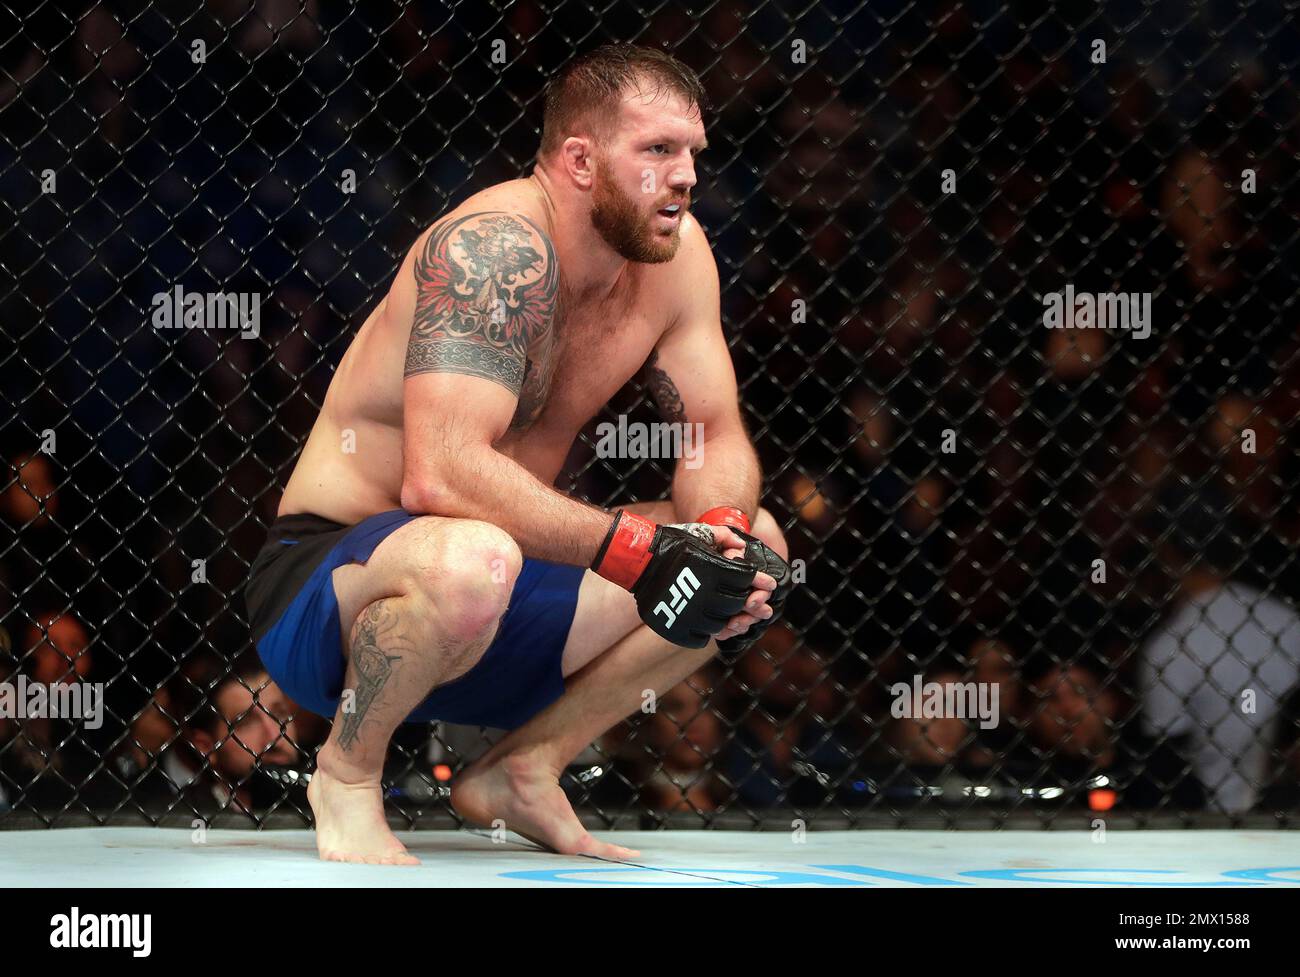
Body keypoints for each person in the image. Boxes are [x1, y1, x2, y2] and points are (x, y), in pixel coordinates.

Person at [243, 43, 793, 864]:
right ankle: (347, 775)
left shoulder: (677, 259)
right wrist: (635, 552)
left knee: (756, 542)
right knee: (474, 556)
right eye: (656, 151)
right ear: (579, 159)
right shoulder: (492, 251)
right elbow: (442, 471)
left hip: (494, 595)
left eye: (691, 154)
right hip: (337, 595)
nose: (684, 175)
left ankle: (524, 768)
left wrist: (714, 529)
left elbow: (709, 434)